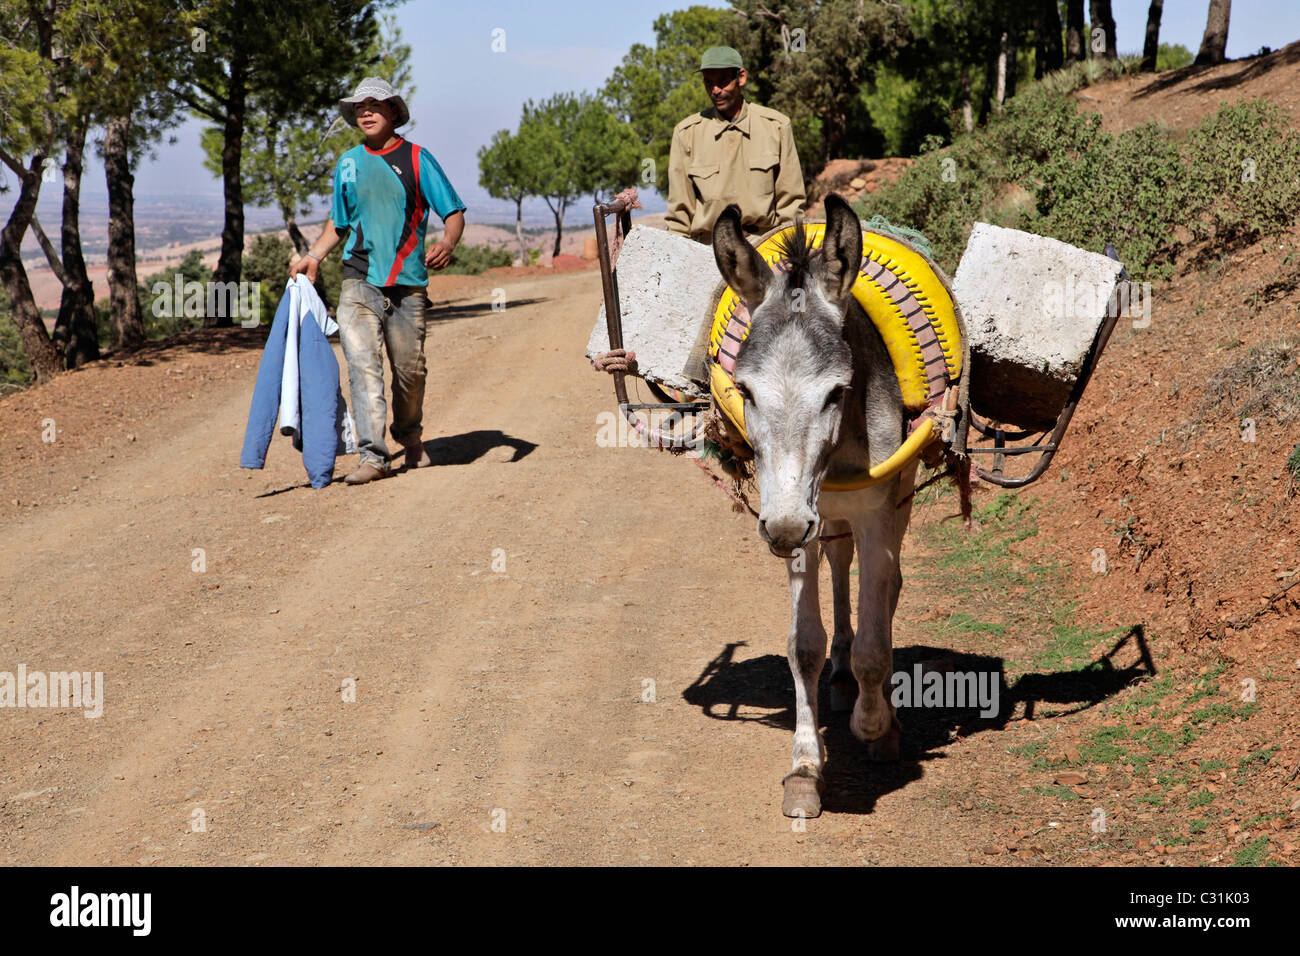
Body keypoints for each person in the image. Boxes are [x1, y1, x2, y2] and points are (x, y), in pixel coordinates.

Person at [291, 77, 466, 484]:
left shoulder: (419, 159)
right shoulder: (348, 163)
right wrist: (313, 257)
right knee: (362, 365)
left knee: (410, 372)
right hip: (358, 278)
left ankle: (411, 437)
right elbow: (339, 223)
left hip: (407, 284)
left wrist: (449, 241)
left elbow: (453, 212)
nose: (364, 112)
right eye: (358, 108)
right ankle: (373, 457)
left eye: (373, 105)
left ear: (392, 112)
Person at [594, 46, 806, 376]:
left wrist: (787, 265)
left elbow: (792, 206)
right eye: (709, 83)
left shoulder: (776, 127)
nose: (716, 89)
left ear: (742, 78)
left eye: (723, 81)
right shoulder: (688, 134)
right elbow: (680, 214)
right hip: (710, 256)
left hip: (765, 252)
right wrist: (676, 271)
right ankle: (698, 396)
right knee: (695, 355)